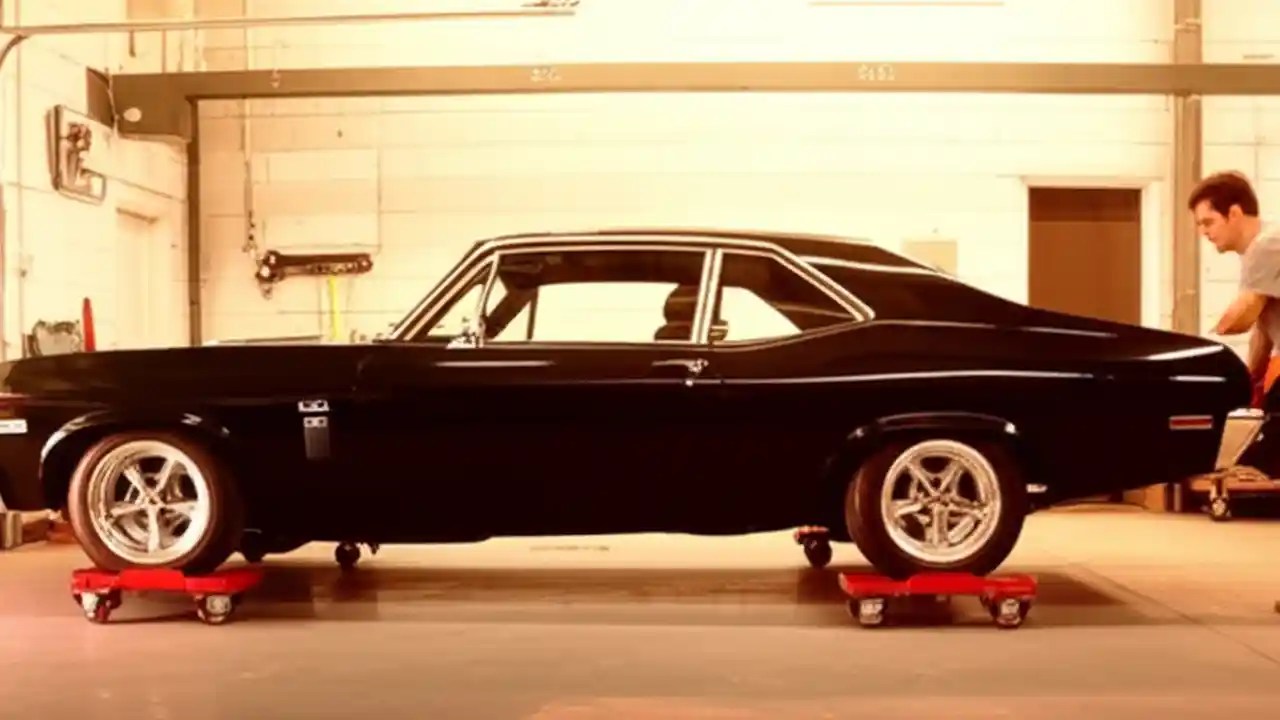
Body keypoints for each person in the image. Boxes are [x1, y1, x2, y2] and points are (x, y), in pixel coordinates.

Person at [1189, 171, 1280, 402]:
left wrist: (1199, 343)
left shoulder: (1266, 246)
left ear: (1234, 213)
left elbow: (1240, 319)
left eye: (1208, 222)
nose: (1203, 233)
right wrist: (1251, 382)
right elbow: (1263, 330)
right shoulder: (1261, 248)